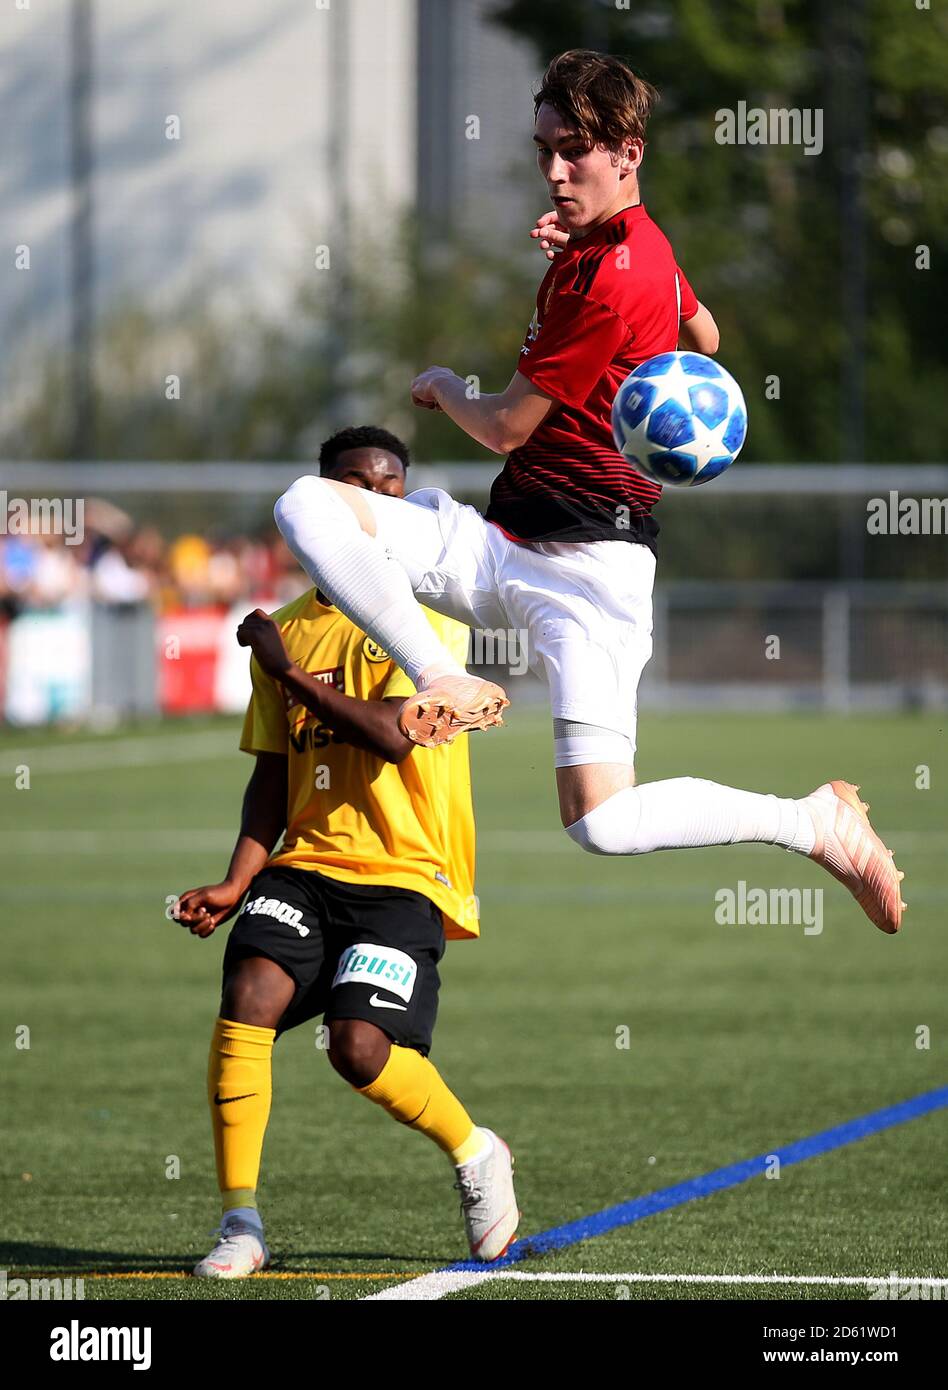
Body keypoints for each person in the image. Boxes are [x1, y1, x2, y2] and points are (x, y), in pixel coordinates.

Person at [270, 49, 903, 937]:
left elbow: (502, 429)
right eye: (544, 152)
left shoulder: (611, 276)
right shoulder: (625, 249)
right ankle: (445, 676)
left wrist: (447, 385)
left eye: (574, 151)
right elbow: (707, 335)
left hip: (591, 573)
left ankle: (811, 822)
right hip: (499, 541)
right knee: (306, 503)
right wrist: (591, 259)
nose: (555, 170)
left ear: (628, 153)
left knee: (602, 821)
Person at [176, 425, 519, 1278]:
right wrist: (236, 878)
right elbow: (271, 777)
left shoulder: (428, 623)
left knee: (358, 1048)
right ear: (326, 503)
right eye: (354, 485)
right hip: (308, 864)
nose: (375, 498)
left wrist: (287, 673)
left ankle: (475, 1150)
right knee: (249, 992)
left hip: (408, 874)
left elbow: (395, 739)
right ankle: (240, 1225)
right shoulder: (287, 628)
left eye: (390, 485)